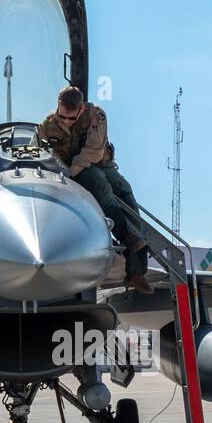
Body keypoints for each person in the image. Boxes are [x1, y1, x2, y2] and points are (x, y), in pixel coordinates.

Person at [37, 87, 152, 293]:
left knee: (124, 190)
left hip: (96, 163)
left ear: (81, 109)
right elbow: (42, 153)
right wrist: (65, 172)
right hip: (72, 172)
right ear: (58, 106)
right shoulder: (46, 127)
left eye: (71, 118)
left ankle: (137, 270)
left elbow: (95, 150)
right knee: (99, 184)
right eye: (62, 116)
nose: (66, 121)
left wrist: (73, 169)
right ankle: (129, 238)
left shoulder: (96, 116)